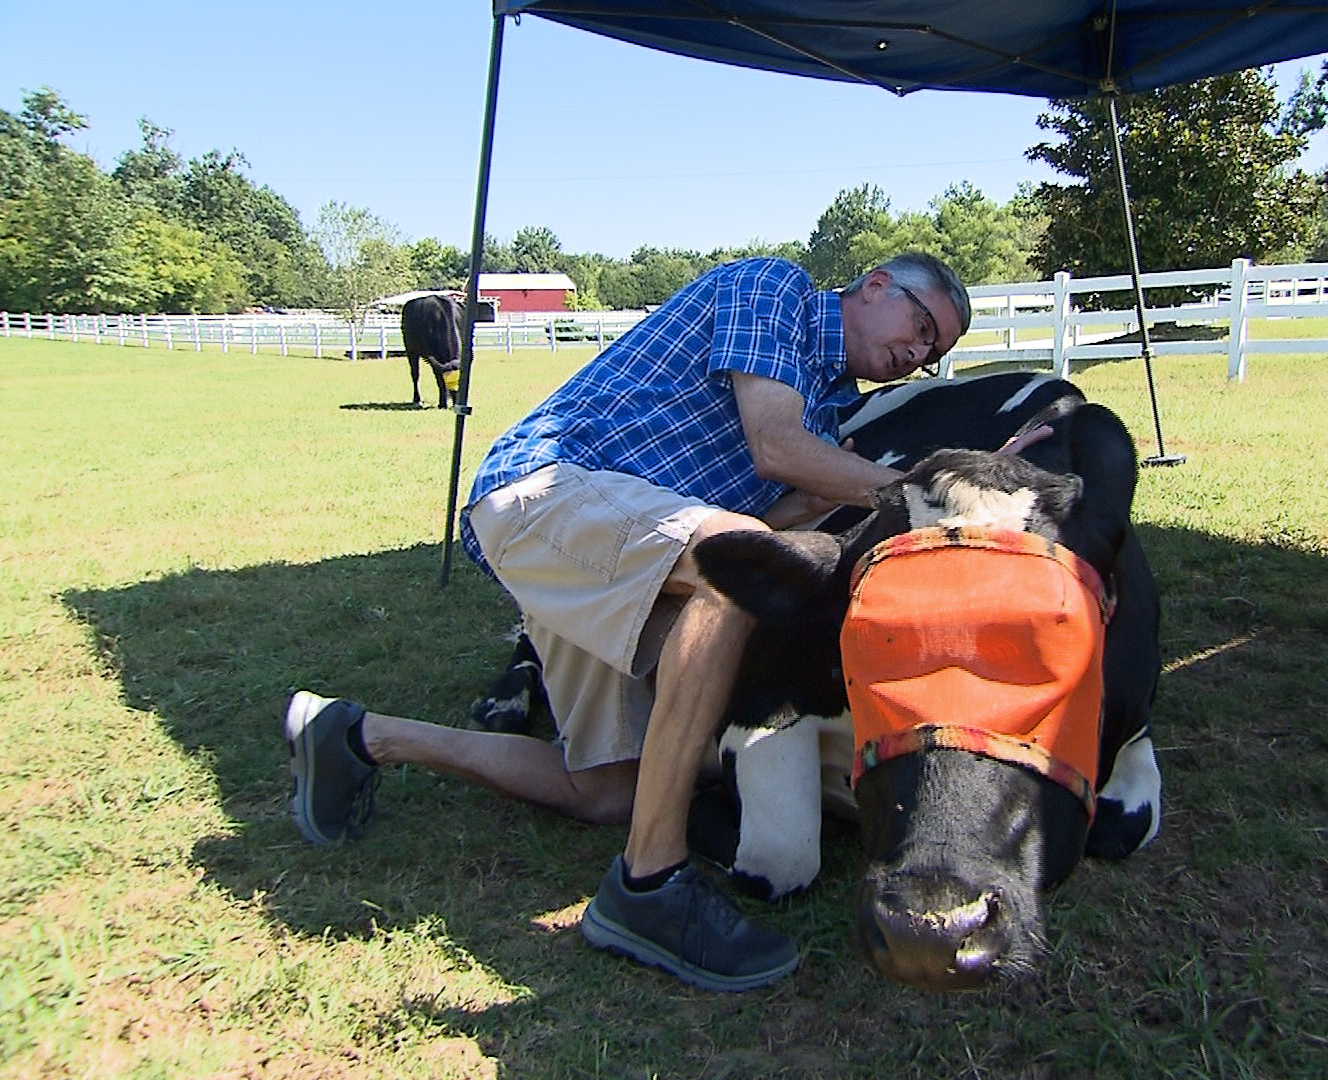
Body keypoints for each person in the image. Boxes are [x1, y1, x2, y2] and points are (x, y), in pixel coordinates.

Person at [284, 252, 972, 992]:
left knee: (609, 791)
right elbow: (772, 451)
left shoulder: (826, 411)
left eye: (933, 354)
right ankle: (649, 886)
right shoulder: (777, 291)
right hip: (545, 487)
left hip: (615, 548)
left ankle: (358, 735)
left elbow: (764, 512)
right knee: (733, 560)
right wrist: (929, 492)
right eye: (923, 326)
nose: (917, 354)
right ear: (874, 286)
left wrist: (811, 505)